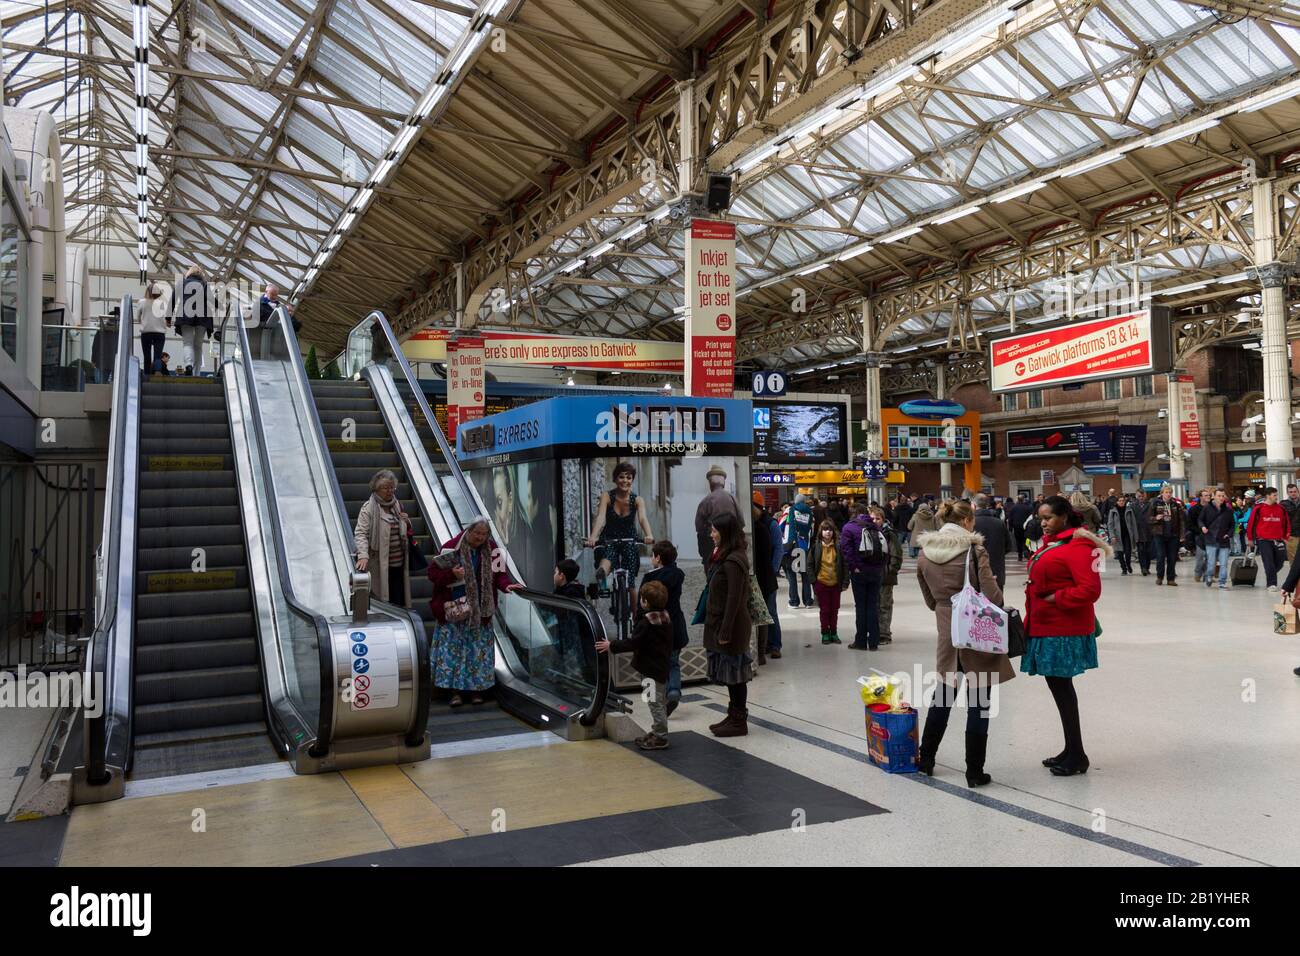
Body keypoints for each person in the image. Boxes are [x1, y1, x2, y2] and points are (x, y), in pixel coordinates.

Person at [915, 500, 1014, 787]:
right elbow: (994, 596)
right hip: (976, 630)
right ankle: (974, 771)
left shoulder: (924, 553)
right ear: (968, 521)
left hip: (947, 630)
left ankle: (927, 759)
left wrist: (946, 606)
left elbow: (930, 600)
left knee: (943, 696)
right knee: (979, 703)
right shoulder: (974, 550)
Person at [1021, 495, 1106, 777]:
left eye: (1048, 518)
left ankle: (1077, 754)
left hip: (1062, 629)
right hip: (1046, 626)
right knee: (1060, 690)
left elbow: (1090, 590)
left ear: (1065, 517)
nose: (1043, 523)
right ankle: (1071, 749)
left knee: (1063, 691)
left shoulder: (1079, 545)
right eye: (1041, 518)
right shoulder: (1055, 543)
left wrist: (1056, 597)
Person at [428, 516, 524, 707]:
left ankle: (475, 691)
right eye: (477, 533)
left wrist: (507, 587)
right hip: (455, 611)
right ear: (468, 531)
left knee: (477, 653)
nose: (480, 537)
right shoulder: (451, 547)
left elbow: (500, 576)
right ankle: (455, 692)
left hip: (480, 612)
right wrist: (452, 574)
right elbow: (432, 573)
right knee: (453, 653)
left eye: (484, 534)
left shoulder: (493, 550)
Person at [596, 580, 673, 750]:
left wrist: (612, 645)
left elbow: (633, 642)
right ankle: (656, 730)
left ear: (645, 602)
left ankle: (661, 736)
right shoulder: (665, 617)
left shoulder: (646, 623)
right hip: (659, 667)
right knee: (655, 699)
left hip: (650, 669)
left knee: (655, 702)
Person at [702, 511, 753, 737]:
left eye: (714, 530)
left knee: (735, 673)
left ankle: (739, 720)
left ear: (725, 533)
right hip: (722, 621)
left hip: (731, 625)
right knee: (731, 673)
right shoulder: (725, 554)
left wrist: (726, 629)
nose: (711, 534)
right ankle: (733, 715)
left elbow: (734, 597)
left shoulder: (733, 560)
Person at [585, 461, 654, 602]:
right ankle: (602, 576)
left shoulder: (637, 500)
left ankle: (635, 619)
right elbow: (600, 518)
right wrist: (593, 537)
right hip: (609, 538)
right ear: (615, 479)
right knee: (606, 558)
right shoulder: (607, 496)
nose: (625, 480)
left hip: (630, 539)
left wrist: (649, 535)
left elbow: (642, 518)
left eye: (629, 477)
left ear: (632, 480)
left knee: (631, 585)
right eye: (621, 477)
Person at [353, 469, 413, 607]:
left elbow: (403, 530)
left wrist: (407, 522)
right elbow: (361, 533)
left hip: (399, 563)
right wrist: (363, 554)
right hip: (380, 564)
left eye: (392, 487)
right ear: (376, 488)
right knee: (383, 599)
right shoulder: (368, 508)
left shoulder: (396, 504)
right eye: (386, 488)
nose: (390, 491)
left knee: (398, 599)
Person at [640, 541, 687, 713]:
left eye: (653, 555)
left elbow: (641, 606)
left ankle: (654, 700)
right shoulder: (678, 575)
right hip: (676, 627)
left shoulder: (650, 579)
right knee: (673, 663)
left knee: (654, 666)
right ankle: (673, 690)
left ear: (658, 558)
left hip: (655, 629)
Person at [840, 503, 887, 651]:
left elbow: (846, 551)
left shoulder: (849, 528)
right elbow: (884, 548)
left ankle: (860, 641)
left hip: (860, 572)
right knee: (873, 606)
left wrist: (855, 567)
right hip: (876, 572)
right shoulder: (874, 526)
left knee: (861, 607)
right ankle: (873, 642)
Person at [751, 493, 784, 660]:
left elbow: (779, 549)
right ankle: (764, 645)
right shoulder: (753, 524)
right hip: (758, 576)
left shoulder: (771, 524)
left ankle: (775, 645)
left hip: (767, 576)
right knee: (762, 612)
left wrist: (772, 569)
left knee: (771, 611)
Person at [694, 464, 742, 572]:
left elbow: (699, 528)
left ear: (710, 483)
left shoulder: (705, 501)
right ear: (723, 482)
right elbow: (741, 522)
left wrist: (704, 553)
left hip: (712, 549)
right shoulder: (732, 499)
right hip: (731, 546)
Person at [808, 519, 848, 645]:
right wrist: (814, 581)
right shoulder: (816, 547)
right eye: (825, 530)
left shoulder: (838, 546)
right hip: (821, 583)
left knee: (834, 610)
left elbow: (845, 564)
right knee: (825, 610)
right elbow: (809, 565)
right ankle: (825, 633)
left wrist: (845, 581)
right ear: (821, 532)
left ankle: (834, 633)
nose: (828, 532)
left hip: (836, 583)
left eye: (830, 530)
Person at [868, 505, 903, 646]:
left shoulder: (889, 534)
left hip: (885, 576)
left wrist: (890, 570)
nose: (875, 521)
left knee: (884, 605)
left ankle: (884, 633)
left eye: (878, 518)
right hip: (871, 575)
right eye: (872, 518)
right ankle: (875, 631)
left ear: (883, 519)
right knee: (873, 605)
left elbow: (896, 555)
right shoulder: (867, 533)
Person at [553, 558, 591, 680]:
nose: (553, 575)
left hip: (573, 638)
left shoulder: (569, 594)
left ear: (561, 576)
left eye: (555, 572)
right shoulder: (572, 591)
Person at [1247, 486, 1288, 592]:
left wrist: (1286, 536)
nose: (1276, 497)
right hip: (1263, 540)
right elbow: (1251, 524)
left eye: (1276, 495)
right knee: (1268, 562)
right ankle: (1271, 583)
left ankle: (1271, 573)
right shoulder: (1258, 508)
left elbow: (1286, 523)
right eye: (1274, 495)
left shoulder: (1281, 509)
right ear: (1268, 496)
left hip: (1278, 539)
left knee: (1280, 561)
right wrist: (1250, 538)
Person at [173, 264, 212, 375]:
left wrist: (167, 317)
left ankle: (188, 365)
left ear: (189, 273)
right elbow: (211, 299)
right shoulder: (204, 284)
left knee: (187, 344)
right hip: (203, 318)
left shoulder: (182, 283)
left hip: (185, 316)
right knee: (198, 345)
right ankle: (197, 372)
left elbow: (173, 299)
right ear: (201, 275)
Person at [972, 493, 1013, 589]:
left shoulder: (970, 523)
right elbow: (1008, 546)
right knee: (996, 601)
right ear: (988, 505)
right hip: (996, 570)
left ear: (974, 505)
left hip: (976, 572)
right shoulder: (999, 523)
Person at [783, 493, 815, 608]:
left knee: (792, 575)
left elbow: (781, 525)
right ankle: (807, 601)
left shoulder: (789, 510)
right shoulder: (810, 513)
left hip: (792, 547)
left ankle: (794, 601)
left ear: (795, 501)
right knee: (805, 575)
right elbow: (812, 531)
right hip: (804, 546)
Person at [1148, 484, 1184, 585]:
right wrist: (1155, 518)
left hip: (1173, 534)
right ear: (1162, 493)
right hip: (1159, 534)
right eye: (1166, 492)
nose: (1168, 494)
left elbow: (1181, 521)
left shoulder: (1176, 505)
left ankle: (1171, 579)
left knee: (1172, 557)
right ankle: (1160, 577)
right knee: (1160, 556)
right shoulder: (1155, 503)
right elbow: (1148, 518)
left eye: (1170, 492)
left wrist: (1182, 535)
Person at [1200, 490, 1234, 589]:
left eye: (1223, 496)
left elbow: (1232, 524)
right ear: (1213, 497)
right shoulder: (1207, 508)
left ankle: (1222, 582)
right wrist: (1203, 527)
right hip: (1211, 540)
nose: (1221, 498)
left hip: (1224, 540)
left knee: (1223, 564)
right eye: (1219, 496)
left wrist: (1229, 534)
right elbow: (1200, 519)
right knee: (1211, 563)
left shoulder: (1228, 510)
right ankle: (1209, 576)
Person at [135, 283, 169, 374]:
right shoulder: (163, 303)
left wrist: (144, 321)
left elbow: (138, 318)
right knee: (157, 356)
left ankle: (147, 374)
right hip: (160, 333)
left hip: (146, 332)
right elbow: (166, 317)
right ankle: (157, 371)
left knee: (147, 355)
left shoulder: (141, 302)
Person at [1106, 493, 1138, 575]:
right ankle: (1123, 568)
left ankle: (1128, 564)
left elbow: (1133, 523)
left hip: (1127, 534)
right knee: (1119, 553)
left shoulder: (1129, 510)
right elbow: (1110, 525)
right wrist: (1112, 535)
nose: (1121, 502)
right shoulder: (1112, 511)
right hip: (1117, 535)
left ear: (1125, 501)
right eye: (1119, 501)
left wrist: (1135, 535)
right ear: (1117, 502)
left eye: (1123, 501)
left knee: (1128, 552)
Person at [1189, 490, 1211, 582]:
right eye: (1205, 495)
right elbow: (1190, 524)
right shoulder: (1194, 509)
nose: (1208, 497)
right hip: (1199, 535)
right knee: (1200, 556)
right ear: (1201, 497)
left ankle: (1207, 575)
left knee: (1210, 556)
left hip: (1211, 535)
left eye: (1209, 495)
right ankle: (1198, 573)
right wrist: (1199, 531)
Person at [1131, 490, 1152, 575]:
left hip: (1148, 530)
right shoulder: (1133, 506)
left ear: (1145, 496)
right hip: (1138, 530)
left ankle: (1147, 567)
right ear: (1136, 496)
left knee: (1148, 551)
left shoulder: (1150, 505)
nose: (1141, 498)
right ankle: (1143, 568)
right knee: (1140, 550)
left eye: (1142, 496)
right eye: (1139, 496)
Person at [1008, 495, 1034, 562]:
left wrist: (1010, 527)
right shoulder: (1028, 508)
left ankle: (1020, 556)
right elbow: (1031, 517)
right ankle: (1027, 554)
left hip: (1016, 527)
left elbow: (1010, 518)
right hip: (1026, 527)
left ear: (1017, 499)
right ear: (1023, 500)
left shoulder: (1013, 508)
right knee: (1026, 540)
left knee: (1018, 541)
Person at [1283, 484, 1300, 563]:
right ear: (1288, 493)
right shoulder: (1283, 504)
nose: (1293, 493)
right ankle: (1295, 575)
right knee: (1293, 560)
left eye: (1295, 491)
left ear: (1298, 491)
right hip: (1292, 535)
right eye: (1291, 492)